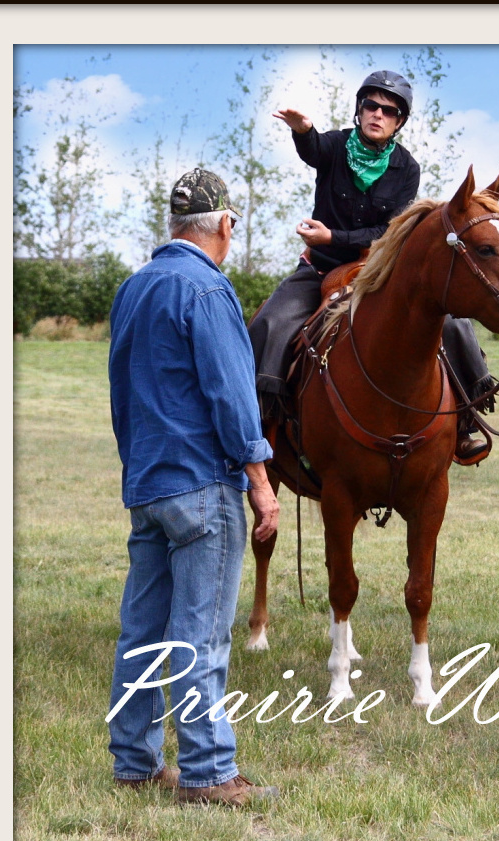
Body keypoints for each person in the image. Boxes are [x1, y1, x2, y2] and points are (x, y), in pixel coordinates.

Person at [107, 169, 281, 806]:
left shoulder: (134, 288)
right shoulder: (207, 290)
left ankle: (134, 761)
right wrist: (261, 484)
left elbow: (123, 389)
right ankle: (208, 774)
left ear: (176, 223)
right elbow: (232, 398)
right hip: (203, 487)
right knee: (200, 635)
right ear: (225, 225)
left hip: (148, 485)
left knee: (142, 632)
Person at [248, 69, 495, 461]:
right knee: (270, 323)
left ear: (399, 122)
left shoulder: (407, 169)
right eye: (371, 105)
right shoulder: (334, 146)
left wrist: (334, 236)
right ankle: (261, 426)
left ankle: (464, 424)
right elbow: (313, 149)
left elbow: (387, 231)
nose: (378, 114)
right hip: (319, 269)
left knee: (454, 323)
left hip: (380, 275)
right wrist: (303, 130)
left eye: (390, 110)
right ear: (359, 110)